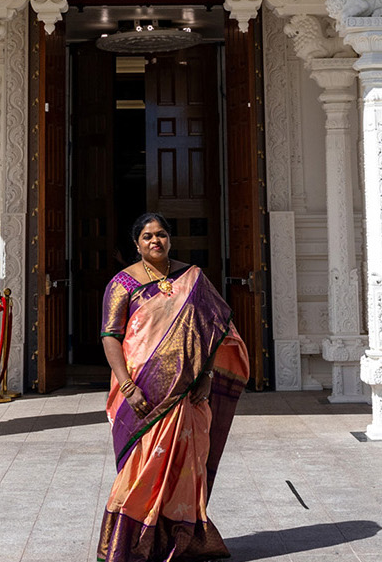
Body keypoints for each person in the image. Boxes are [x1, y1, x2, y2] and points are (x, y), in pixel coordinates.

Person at [97, 212, 250, 561]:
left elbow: (215, 331)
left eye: (161, 235)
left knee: (186, 467)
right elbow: (110, 337)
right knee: (140, 470)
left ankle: (179, 542)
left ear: (170, 239)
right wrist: (127, 386)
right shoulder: (123, 284)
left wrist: (207, 376)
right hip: (141, 392)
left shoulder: (192, 278)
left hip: (187, 392)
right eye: (148, 236)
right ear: (136, 244)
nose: (155, 241)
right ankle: (130, 545)